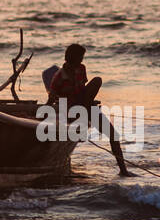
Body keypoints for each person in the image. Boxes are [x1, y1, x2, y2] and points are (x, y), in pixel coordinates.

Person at [43, 43, 131, 176]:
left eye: (82, 57)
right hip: (71, 110)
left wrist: (89, 101)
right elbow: (51, 98)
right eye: (80, 57)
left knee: (114, 135)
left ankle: (123, 171)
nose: (82, 60)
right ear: (71, 57)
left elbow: (83, 89)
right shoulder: (59, 76)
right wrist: (44, 114)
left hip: (86, 107)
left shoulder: (81, 68)